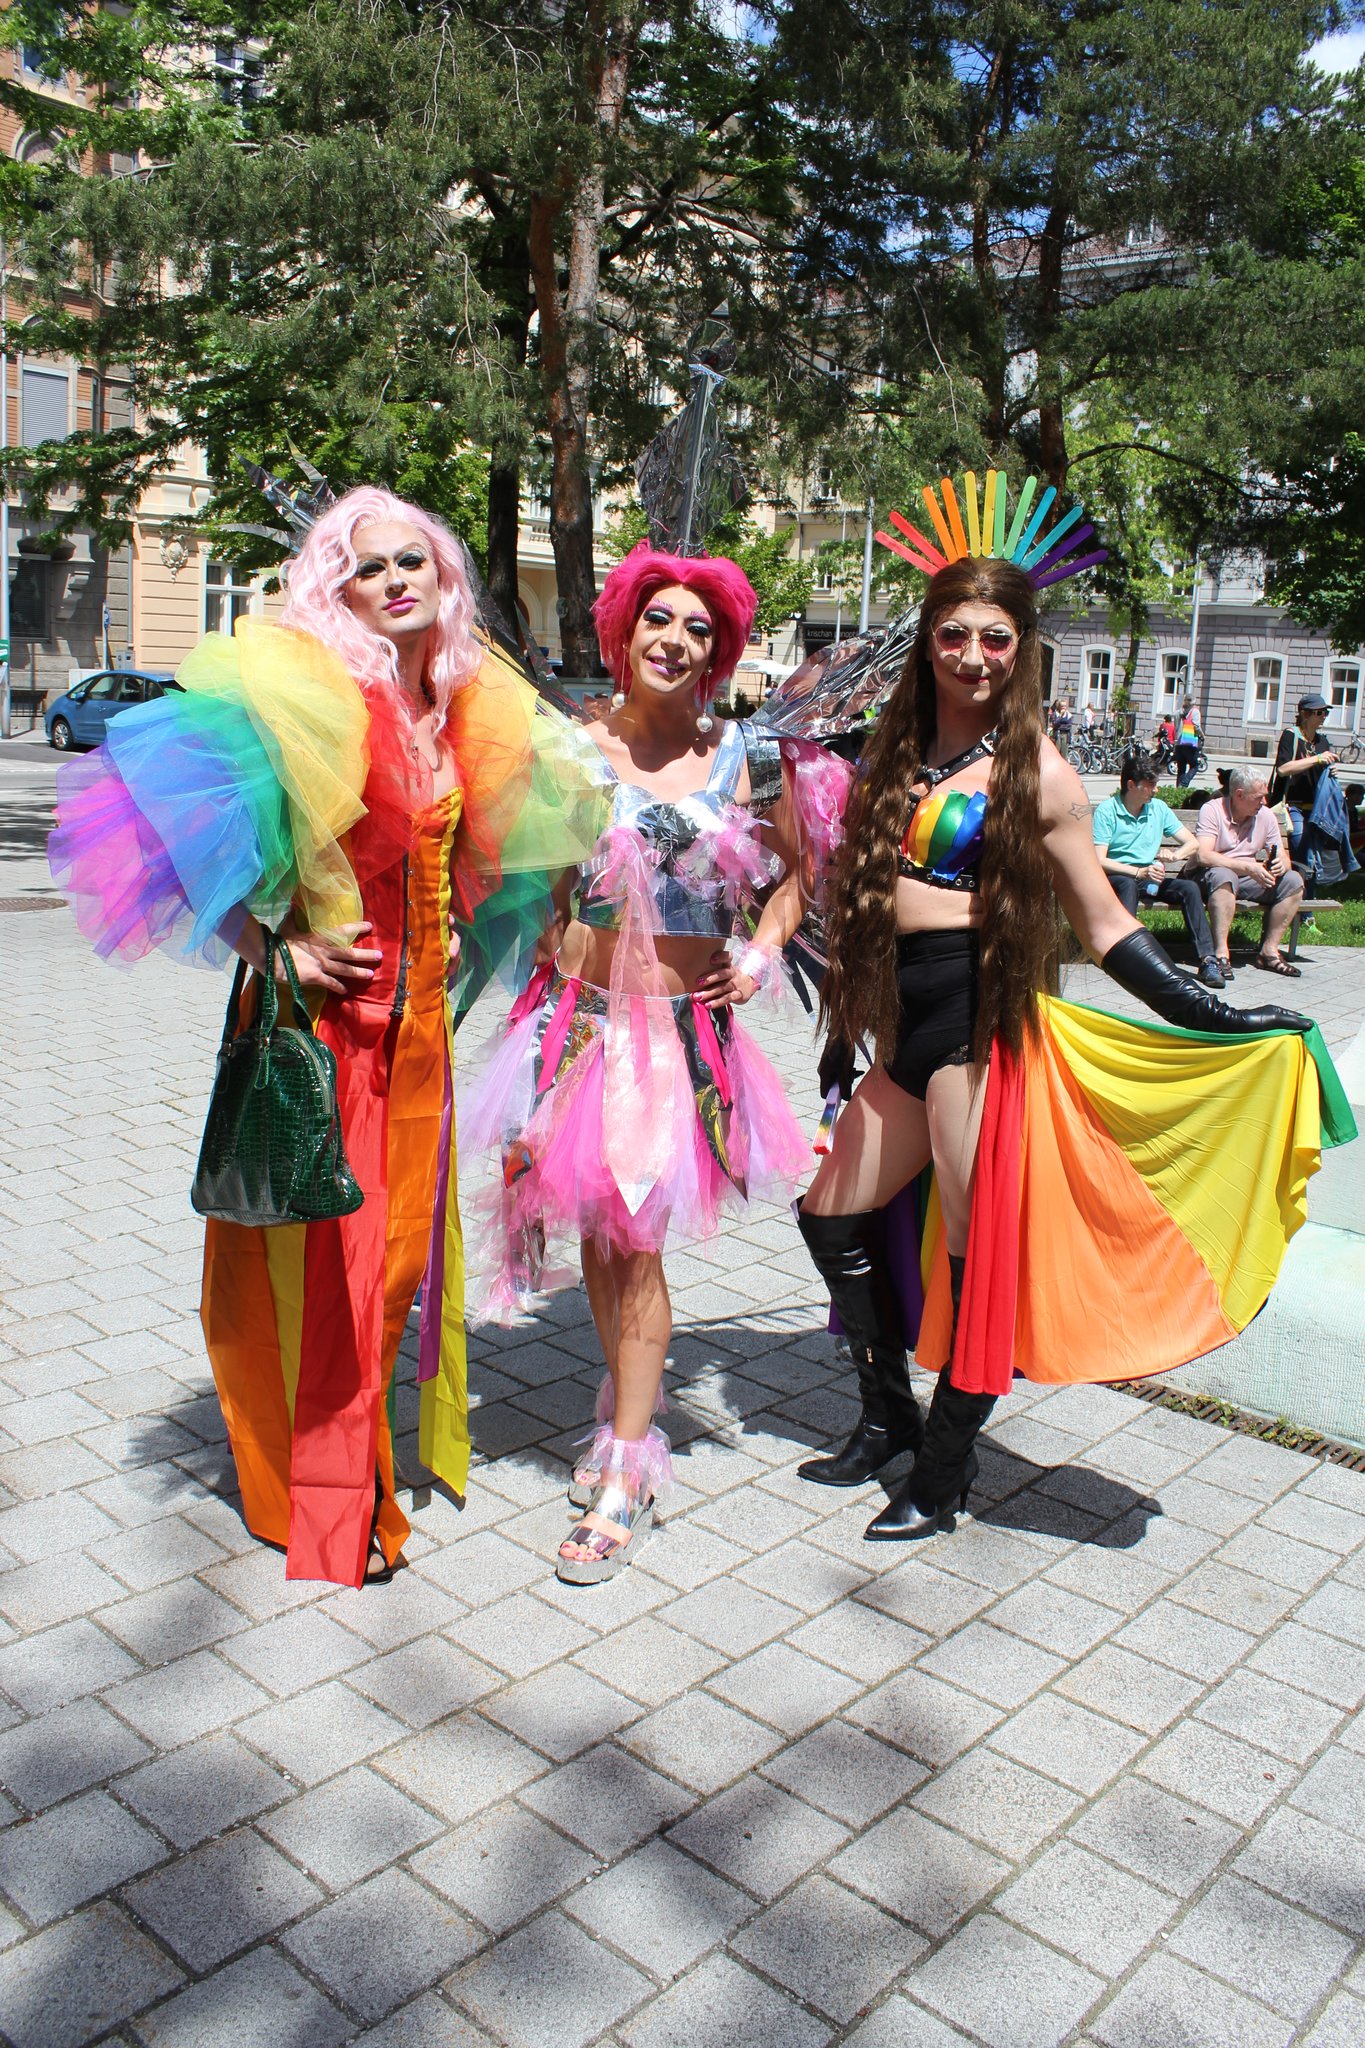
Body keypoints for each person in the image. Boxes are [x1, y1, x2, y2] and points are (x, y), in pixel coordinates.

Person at [49, 487, 604, 1587]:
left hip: (418, 1035)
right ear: (336, 592)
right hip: (323, 1033)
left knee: (391, 1267)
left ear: (446, 578)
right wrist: (274, 951)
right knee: (321, 1270)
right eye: (367, 568)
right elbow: (160, 829)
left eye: (413, 561)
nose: (394, 580)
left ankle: (344, 1471)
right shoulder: (306, 695)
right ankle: (330, 1504)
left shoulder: (469, 703)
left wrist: (461, 921)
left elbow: (486, 856)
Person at [797, 517, 1332, 1546]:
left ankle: (944, 1471)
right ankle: (888, 1416)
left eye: (995, 637)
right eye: (954, 634)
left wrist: (1216, 1011)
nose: (973, 655)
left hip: (972, 1025)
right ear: (928, 639)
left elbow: (1105, 923)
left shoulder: (1036, 769)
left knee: (977, 1262)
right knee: (830, 1217)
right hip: (903, 1025)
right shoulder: (897, 748)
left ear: (1023, 647)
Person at [459, 542, 848, 1584]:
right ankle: (623, 1402)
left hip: (672, 1042)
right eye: (658, 620)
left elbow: (795, 878)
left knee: (636, 1245)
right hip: (572, 1026)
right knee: (598, 1234)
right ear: (623, 632)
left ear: (719, 652)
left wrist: (758, 958)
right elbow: (526, 866)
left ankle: (629, 1466)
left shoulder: (745, 757)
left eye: (698, 629)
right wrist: (547, 931)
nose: (675, 640)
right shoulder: (571, 744)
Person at [1092, 751, 1225, 986]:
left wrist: (1174, 855)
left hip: (1149, 877)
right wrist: (1137, 872)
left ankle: (1208, 961)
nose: (1156, 790)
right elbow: (1099, 860)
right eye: (1151, 784)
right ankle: (1126, 956)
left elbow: (1192, 843)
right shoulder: (1107, 811)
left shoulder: (1158, 809)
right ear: (1131, 785)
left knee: (1188, 889)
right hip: (1117, 876)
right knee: (1127, 885)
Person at [1196, 767, 1306, 980]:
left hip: (1250, 878)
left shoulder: (1265, 816)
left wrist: (1281, 864)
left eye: (1265, 796)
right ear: (1239, 794)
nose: (1264, 802)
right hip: (1211, 876)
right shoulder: (1212, 810)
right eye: (1258, 797)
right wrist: (1247, 867)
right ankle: (1221, 953)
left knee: (1293, 881)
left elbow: (1283, 857)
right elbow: (1203, 855)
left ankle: (1269, 952)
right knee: (1224, 876)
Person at [1269, 692, 1335, 867]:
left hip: (1316, 809)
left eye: (1326, 712)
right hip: (1292, 807)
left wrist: (1331, 771)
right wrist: (1317, 759)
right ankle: (1298, 882)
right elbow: (1283, 769)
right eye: (1319, 713)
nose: (1323, 716)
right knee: (1302, 850)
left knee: (1315, 857)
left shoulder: (1322, 741)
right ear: (1305, 714)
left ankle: (1309, 885)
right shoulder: (1291, 735)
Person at [1174, 696, 1203, 788]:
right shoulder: (1195, 712)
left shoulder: (1177, 712)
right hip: (1189, 743)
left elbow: (1175, 728)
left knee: (1181, 768)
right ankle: (1184, 784)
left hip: (1178, 744)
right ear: (1193, 702)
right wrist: (1201, 735)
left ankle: (1178, 789)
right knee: (1195, 765)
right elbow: (1196, 727)